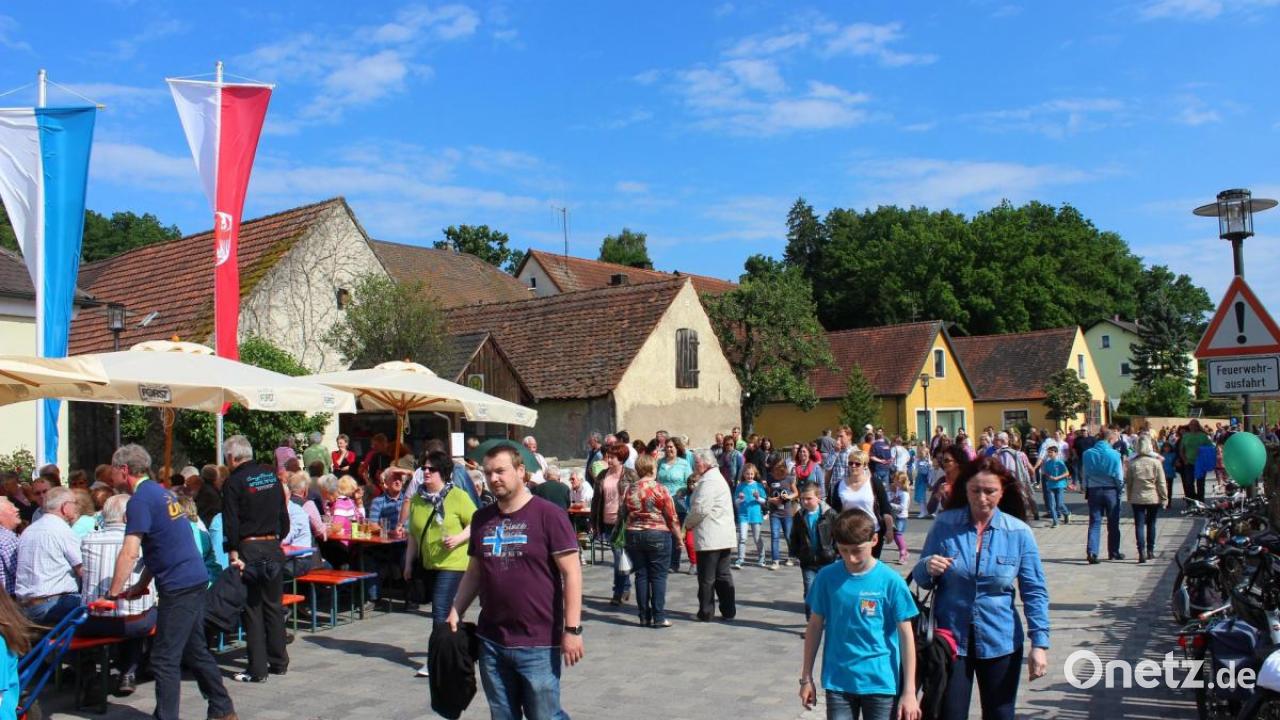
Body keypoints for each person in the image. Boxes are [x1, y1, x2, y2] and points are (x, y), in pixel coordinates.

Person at [446, 444, 583, 720]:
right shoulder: (481, 519)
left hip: (538, 641)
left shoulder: (548, 515)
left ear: (521, 471)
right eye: (488, 473)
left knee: (545, 716)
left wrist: (572, 629)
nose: (493, 478)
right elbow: (475, 572)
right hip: (492, 640)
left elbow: (572, 573)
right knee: (502, 715)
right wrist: (456, 609)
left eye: (500, 471)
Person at [913, 457, 1050, 720]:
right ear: (965, 489)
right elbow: (921, 578)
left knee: (1000, 713)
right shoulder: (945, 525)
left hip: (1001, 639)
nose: (982, 498)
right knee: (949, 714)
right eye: (975, 490)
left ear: (1002, 491)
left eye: (990, 491)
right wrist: (927, 566)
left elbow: (1034, 591)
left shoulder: (1019, 533)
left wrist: (1039, 644)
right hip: (950, 640)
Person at [106, 444, 236, 720]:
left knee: (164, 658)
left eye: (113, 469)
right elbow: (161, 546)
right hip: (193, 577)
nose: (110, 475)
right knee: (194, 649)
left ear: (124, 470)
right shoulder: (161, 493)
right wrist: (142, 584)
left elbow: (130, 551)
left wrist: (112, 593)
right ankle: (222, 708)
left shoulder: (140, 500)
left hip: (179, 585)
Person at [799, 511, 920, 720]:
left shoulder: (891, 581)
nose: (851, 558)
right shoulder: (826, 577)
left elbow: (906, 637)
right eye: (843, 550)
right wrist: (806, 677)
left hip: (880, 682)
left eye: (857, 550)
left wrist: (909, 692)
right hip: (838, 681)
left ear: (874, 540)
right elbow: (815, 626)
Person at [222, 434, 290, 682]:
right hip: (272, 545)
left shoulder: (234, 482)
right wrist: (276, 538)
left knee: (252, 609)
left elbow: (231, 521)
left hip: (249, 547)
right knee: (273, 606)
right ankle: (279, 661)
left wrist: (233, 551)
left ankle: (258, 669)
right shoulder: (271, 477)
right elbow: (284, 516)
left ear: (232, 457)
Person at [404, 449, 476, 678]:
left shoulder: (457, 496)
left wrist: (458, 538)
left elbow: (477, 523)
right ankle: (464, 648)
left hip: (454, 562)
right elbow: (413, 535)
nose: (426, 472)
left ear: (442, 472)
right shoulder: (417, 499)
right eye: (423, 468)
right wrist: (408, 563)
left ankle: (436, 660)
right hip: (429, 563)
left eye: (431, 469)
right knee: (450, 613)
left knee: (440, 609)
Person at [80, 494, 157, 696]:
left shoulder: (87, 539)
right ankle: (129, 672)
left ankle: (92, 674)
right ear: (128, 516)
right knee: (143, 612)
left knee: (125, 613)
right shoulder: (141, 542)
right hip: (134, 622)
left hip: (94, 619)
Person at [621, 454, 681, 628]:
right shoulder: (660, 488)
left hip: (634, 533)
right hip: (658, 533)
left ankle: (643, 616)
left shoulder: (630, 489)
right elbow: (672, 517)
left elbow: (623, 512)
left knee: (641, 575)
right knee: (658, 576)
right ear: (652, 468)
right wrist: (679, 538)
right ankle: (659, 616)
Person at [14, 486, 84, 625]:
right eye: (74, 503)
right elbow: (82, 569)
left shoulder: (29, 530)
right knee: (101, 616)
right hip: (54, 604)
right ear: (65, 507)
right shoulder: (61, 529)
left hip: (26, 607)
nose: (77, 507)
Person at [684, 448, 737, 622]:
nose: (694, 465)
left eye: (696, 462)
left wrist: (687, 524)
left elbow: (700, 509)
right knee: (722, 575)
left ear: (705, 462)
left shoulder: (709, 481)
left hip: (711, 535)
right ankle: (728, 610)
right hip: (722, 535)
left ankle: (706, 612)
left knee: (707, 578)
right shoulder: (716, 477)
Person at [825, 449, 894, 560]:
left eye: (857, 464)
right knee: (849, 563)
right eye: (850, 463)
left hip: (871, 531)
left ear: (865, 465)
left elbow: (885, 508)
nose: (853, 466)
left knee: (870, 564)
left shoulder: (874, 483)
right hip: (847, 531)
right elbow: (835, 512)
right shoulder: (840, 485)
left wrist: (889, 529)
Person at [591, 444, 636, 606]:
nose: (608, 460)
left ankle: (618, 591)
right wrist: (593, 522)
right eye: (608, 457)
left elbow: (637, 496)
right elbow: (596, 500)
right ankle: (626, 587)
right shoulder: (602, 475)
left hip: (622, 521)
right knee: (621, 556)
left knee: (619, 556)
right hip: (606, 521)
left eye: (612, 457)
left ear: (621, 459)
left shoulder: (630, 475)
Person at [789, 484, 837, 620]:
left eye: (809, 498)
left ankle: (829, 618)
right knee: (810, 591)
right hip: (808, 561)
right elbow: (794, 536)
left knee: (829, 591)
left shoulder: (830, 514)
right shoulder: (799, 515)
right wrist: (796, 553)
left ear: (818, 497)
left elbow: (838, 535)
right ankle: (811, 621)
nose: (805, 502)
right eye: (802, 499)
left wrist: (836, 553)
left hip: (827, 560)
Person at [1082, 431, 1125, 564]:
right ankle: (1113, 552)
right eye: (1115, 440)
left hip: (1094, 490)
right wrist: (1120, 489)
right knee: (1113, 522)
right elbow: (1119, 476)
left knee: (1095, 522)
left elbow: (1085, 474)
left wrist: (1086, 487)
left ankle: (1092, 552)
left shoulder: (1087, 454)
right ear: (1110, 439)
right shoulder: (1115, 454)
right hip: (1110, 490)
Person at [1126, 434, 1168, 564]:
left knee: (1139, 524)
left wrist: (1129, 496)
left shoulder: (1133, 463)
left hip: (1137, 497)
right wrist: (1164, 498)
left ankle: (1141, 552)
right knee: (1151, 523)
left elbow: (1129, 482)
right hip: (1153, 497)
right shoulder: (1156, 462)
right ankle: (1150, 550)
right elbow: (1161, 482)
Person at [764, 460, 797, 569]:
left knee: (788, 535)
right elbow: (767, 495)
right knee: (775, 535)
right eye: (774, 471)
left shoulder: (789, 478)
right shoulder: (770, 478)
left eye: (779, 472)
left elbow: (796, 493)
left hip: (787, 512)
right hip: (774, 512)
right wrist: (771, 500)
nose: (776, 474)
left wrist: (788, 497)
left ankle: (791, 557)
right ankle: (775, 561)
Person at [733, 464, 766, 569]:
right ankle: (740, 559)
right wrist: (740, 499)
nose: (750, 476)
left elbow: (764, 501)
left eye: (752, 474)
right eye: (747, 474)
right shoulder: (740, 486)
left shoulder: (758, 485)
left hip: (755, 515)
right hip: (743, 515)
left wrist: (757, 497)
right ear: (744, 474)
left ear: (754, 474)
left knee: (757, 538)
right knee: (742, 537)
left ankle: (762, 557)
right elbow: (735, 502)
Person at [1037, 445, 1071, 528]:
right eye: (1048, 452)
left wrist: (1057, 478)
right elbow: (1045, 473)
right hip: (1050, 485)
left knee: (1059, 504)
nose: (1049, 454)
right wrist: (1049, 476)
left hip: (1060, 485)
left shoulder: (1060, 462)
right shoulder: (1047, 463)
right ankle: (1055, 522)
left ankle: (1067, 513)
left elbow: (1067, 473)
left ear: (1056, 453)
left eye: (1051, 452)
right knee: (1052, 505)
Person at [887, 471, 911, 564]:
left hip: (901, 517)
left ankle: (903, 554)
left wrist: (890, 504)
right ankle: (905, 551)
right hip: (895, 516)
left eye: (895, 480)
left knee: (898, 535)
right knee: (896, 535)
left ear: (900, 482)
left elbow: (903, 507)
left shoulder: (904, 493)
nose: (894, 481)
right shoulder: (898, 490)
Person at [0, 498, 18, 593]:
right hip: (10, 596)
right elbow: (21, 572)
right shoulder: (8, 539)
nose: (17, 509)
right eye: (11, 508)